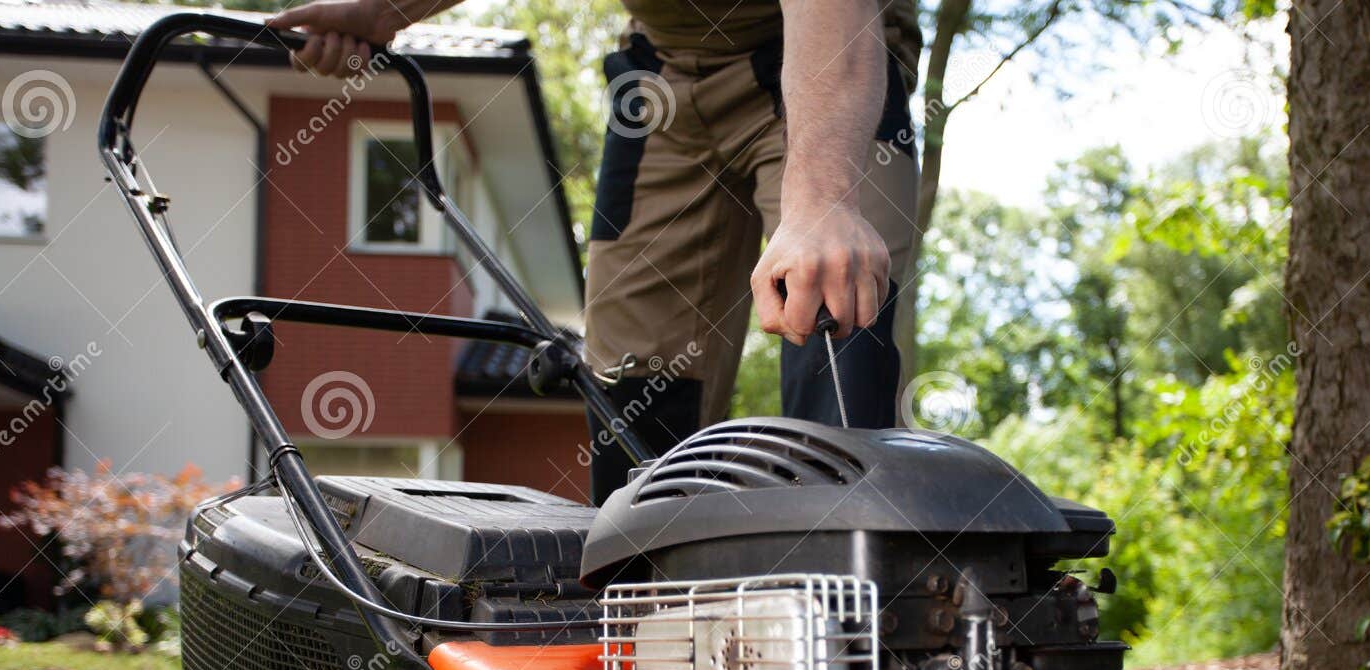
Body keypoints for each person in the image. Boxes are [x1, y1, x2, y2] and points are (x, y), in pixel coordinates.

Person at [269, 0, 920, 501]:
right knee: (633, 401)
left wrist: (824, 202)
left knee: (835, 329)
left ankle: (854, 642)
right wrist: (383, 12)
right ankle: (646, 646)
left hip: (826, 52)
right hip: (663, 75)